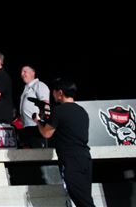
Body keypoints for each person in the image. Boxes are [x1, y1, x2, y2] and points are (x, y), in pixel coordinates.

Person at [36, 79, 93, 207]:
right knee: (84, 198)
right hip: (85, 159)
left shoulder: (59, 110)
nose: (53, 95)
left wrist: (38, 121)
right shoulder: (82, 111)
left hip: (70, 161)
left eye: (54, 92)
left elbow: (46, 133)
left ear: (60, 92)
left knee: (83, 202)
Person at [18, 66, 49, 149]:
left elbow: (46, 104)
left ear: (33, 73)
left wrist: (41, 120)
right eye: (21, 72)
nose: (22, 74)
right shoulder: (26, 88)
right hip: (26, 128)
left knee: (38, 154)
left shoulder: (39, 85)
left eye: (25, 71)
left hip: (36, 127)